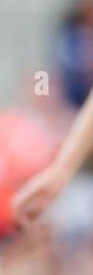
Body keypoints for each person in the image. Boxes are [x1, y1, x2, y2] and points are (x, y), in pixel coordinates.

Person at [12, 84, 93, 221]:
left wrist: (62, 169)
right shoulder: (13, 124)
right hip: (36, 186)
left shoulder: (64, 120)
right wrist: (61, 170)